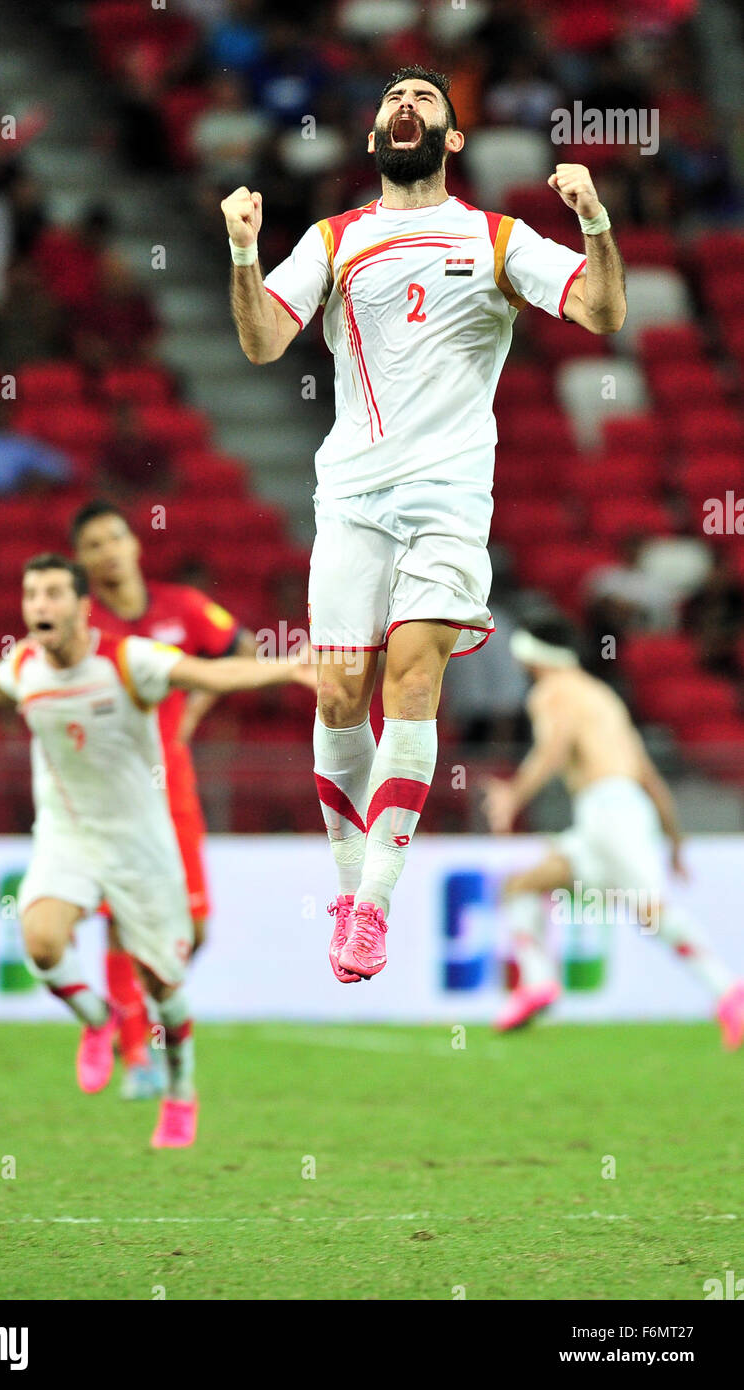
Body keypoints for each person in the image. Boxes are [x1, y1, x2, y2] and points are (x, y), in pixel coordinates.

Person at [221, 63, 626, 982]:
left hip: (447, 498)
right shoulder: (333, 238)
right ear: (373, 138)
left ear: (450, 139)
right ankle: (348, 884)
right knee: (336, 696)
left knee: (410, 679)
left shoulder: (495, 237)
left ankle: (373, 906)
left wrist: (594, 220)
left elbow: (603, 309)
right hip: (352, 499)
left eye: (423, 102)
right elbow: (259, 340)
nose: (404, 108)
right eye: (391, 101)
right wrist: (244, 251)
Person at [0, 554, 316, 1147]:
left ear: (81, 607)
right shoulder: (24, 663)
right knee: (43, 942)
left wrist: (285, 670)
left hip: (139, 843)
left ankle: (181, 1090)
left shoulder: (128, 661)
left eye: (52, 594)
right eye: (31, 595)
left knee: (163, 985)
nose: (39, 606)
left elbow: (210, 676)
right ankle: (98, 1019)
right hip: (68, 835)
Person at [482, 618, 744, 1049]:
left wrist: (512, 794)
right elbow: (649, 777)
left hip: (608, 814)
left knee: (651, 915)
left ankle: (728, 990)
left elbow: (553, 749)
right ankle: (538, 984)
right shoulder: (603, 698)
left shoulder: (552, 691)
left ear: (530, 653)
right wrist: (675, 842)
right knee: (522, 885)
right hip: (615, 813)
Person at [73, 500, 258, 1099]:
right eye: (94, 544)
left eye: (115, 537)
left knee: (195, 927)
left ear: (135, 545)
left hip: (173, 784)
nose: (108, 550)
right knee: (123, 924)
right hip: (115, 791)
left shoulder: (182, 606)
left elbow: (243, 648)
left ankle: (145, 1011)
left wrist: (196, 708)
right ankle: (137, 1055)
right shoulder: (81, 628)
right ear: (82, 561)